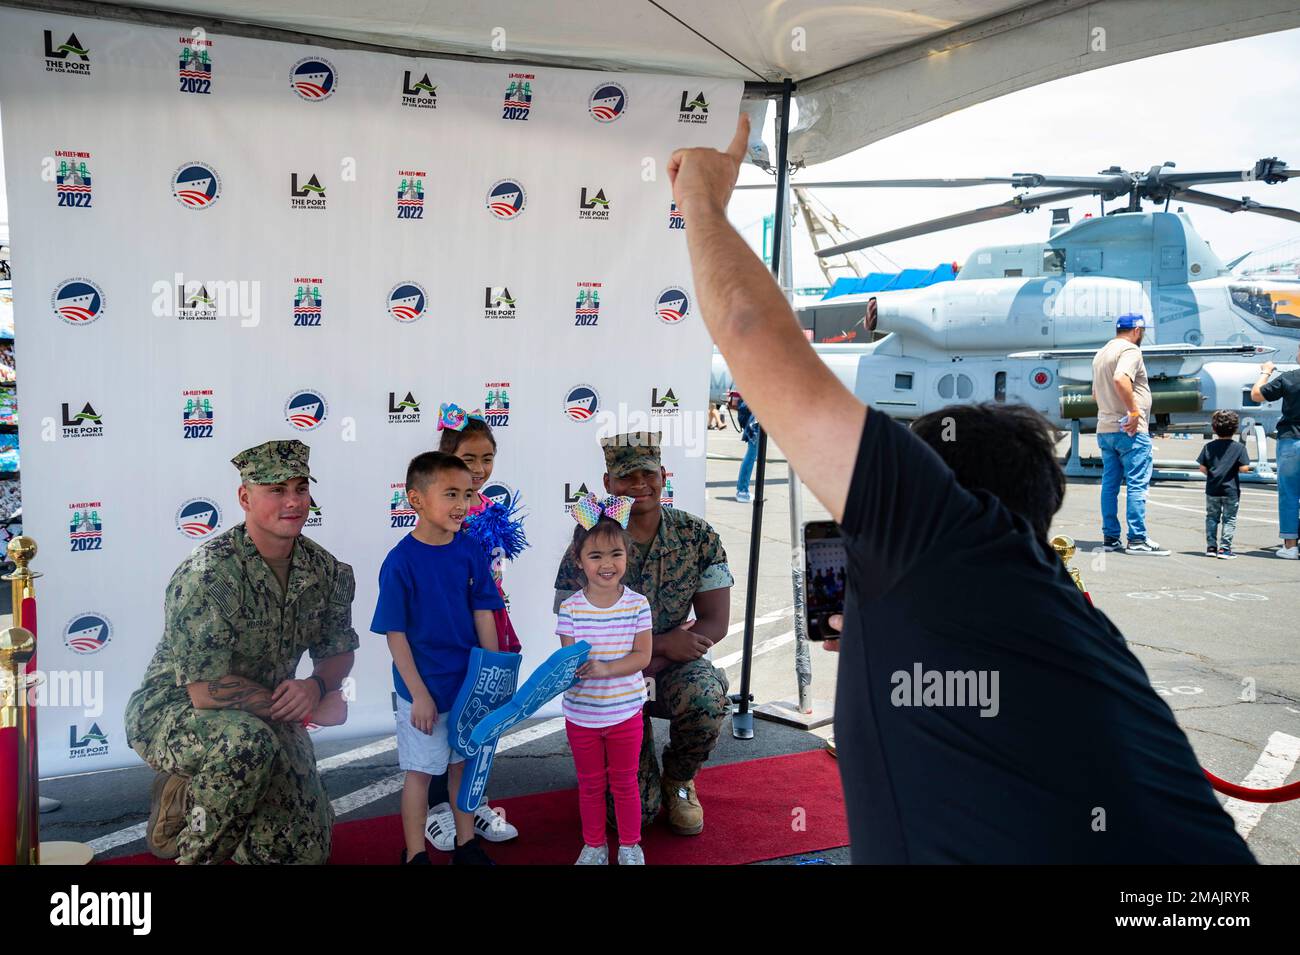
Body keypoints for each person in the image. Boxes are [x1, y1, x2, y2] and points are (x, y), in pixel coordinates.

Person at [665, 114, 1253, 863]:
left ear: (944, 489)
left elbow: (749, 327)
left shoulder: (952, 540)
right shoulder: (1043, 608)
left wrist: (704, 202)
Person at [124, 440, 359, 864]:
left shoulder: (326, 571)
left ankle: (225, 805)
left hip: (266, 713)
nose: (292, 501)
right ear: (245, 497)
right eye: (276, 490)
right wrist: (307, 709)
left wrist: (317, 684)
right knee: (246, 746)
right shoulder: (209, 574)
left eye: (300, 488)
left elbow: (337, 649)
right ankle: (190, 834)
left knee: (301, 852)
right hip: (176, 711)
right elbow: (206, 691)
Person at [553, 431, 732, 835]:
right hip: (609, 680)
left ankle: (679, 779)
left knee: (707, 694)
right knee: (632, 817)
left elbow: (714, 623)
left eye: (648, 474)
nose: (639, 485)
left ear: (664, 475)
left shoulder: (696, 536)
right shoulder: (588, 543)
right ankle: (615, 769)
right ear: (607, 485)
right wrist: (663, 645)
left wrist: (654, 661)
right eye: (626, 476)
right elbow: (572, 629)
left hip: (668, 674)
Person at [371, 451, 503, 865]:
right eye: (450, 494)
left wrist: (492, 678)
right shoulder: (400, 562)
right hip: (424, 691)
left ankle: (466, 845)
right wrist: (419, 694)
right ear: (416, 500)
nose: (462, 504)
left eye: (466, 494)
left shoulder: (469, 552)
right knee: (421, 773)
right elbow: (396, 636)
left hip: (468, 687)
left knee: (463, 767)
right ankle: (415, 854)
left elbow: (485, 613)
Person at [422, 403, 523, 850]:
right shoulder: (441, 511)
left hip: (490, 623)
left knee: (482, 715)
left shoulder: (491, 511)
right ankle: (437, 809)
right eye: (469, 460)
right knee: (444, 717)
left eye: (487, 459)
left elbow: (495, 576)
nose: (480, 469)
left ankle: (473, 799)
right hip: (449, 628)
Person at [556, 494, 653, 865]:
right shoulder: (570, 609)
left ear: (627, 557)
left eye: (615, 554)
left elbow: (642, 656)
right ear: (578, 561)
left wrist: (606, 669)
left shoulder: (637, 605)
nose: (607, 564)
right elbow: (570, 664)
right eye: (595, 556)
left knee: (625, 784)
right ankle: (594, 845)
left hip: (625, 713)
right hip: (581, 715)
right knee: (591, 785)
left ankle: (630, 845)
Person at [1091, 313, 1169, 556]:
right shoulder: (1130, 350)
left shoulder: (1102, 352)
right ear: (1137, 330)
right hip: (1129, 429)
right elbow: (1120, 378)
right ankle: (1137, 539)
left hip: (1105, 428)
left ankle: (1110, 537)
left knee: (1110, 485)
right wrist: (1134, 412)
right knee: (1136, 484)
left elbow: (1095, 393)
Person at [1251, 348, 1300, 559]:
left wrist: (1266, 371)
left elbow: (1257, 394)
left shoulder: (1289, 378)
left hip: (1291, 437)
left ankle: (1290, 546)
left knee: (1289, 494)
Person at [1196, 410, 1252, 559]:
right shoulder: (1239, 448)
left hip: (1212, 489)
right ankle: (1225, 549)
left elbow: (1202, 468)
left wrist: (1214, 474)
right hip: (1231, 490)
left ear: (1214, 429)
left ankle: (1211, 547)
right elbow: (1244, 468)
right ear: (1235, 429)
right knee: (1229, 519)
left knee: (1212, 517)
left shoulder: (1209, 447)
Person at [732, 393, 760, 503]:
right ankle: (742, 490)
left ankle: (742, 489)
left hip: (751, 417)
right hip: (755, 420)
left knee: (752, 454)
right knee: (751, 454)